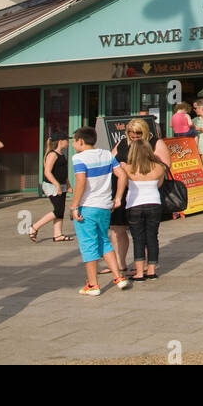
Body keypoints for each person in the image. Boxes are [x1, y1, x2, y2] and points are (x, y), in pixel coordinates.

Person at [69, 125, 131, 295]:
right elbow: (122, 175)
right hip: (105, 206)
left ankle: (93, 285)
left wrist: (74, 205)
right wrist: (117, 197)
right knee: (104, 240)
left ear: (80, 141)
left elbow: (80, 181)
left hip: (87, 206)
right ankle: (119, 277)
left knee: (88, 245)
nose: (73, 145)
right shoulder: (106, 154)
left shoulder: (78, 158)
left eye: (74, 141)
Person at [109, 118, 171, 271]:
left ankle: (143, 265)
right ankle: (119, 264)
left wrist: (135, 171)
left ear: (145, 132)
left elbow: (165, 166)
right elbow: (110, 161)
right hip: (120, 190)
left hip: (143, 191)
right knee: (117, 228)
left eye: (138, 134)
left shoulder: (156, 143)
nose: (134, 137)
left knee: (142, 231)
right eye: (131, 134)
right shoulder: (123, 143)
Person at [123, 140, 167, 281]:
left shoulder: (126, 168)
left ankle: (140, 272)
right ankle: (152, 270)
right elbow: (159, 184)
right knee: (152, 237)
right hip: (154, 203)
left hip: (134, 204)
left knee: (138, 239)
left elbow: (124, 185)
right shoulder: (159, 167)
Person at [29, 137, 73, 243]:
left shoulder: (62, 154)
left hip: (61, 184)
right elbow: (47, 172)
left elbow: (63, 171)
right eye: (66, 139)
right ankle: (34, 227)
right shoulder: (52, 154)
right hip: (52, 186)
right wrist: (57, 185)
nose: (68, 142)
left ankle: (58, 234)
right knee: (58, 210)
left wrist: (68, 184)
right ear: (60, 141)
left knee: (61, 210)